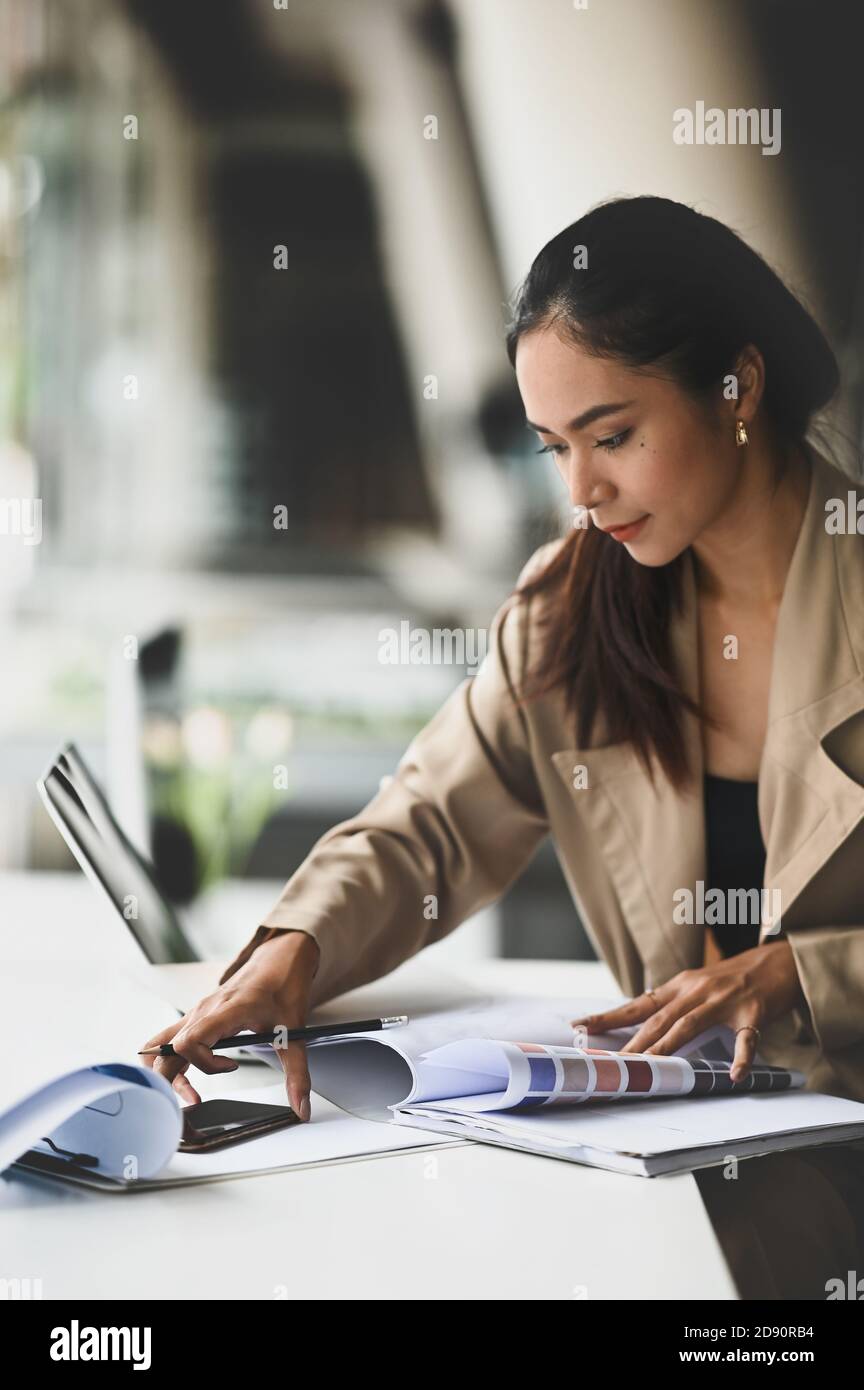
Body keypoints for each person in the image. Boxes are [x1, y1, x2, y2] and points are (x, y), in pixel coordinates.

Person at [141, 195, 864, 1298]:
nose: (580, 491)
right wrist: (295, 952)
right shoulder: (573, 612)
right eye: (555, 448)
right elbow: (426, 825)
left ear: (739, 387)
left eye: (614, 435)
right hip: (672, 1168)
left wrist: (808, 972)